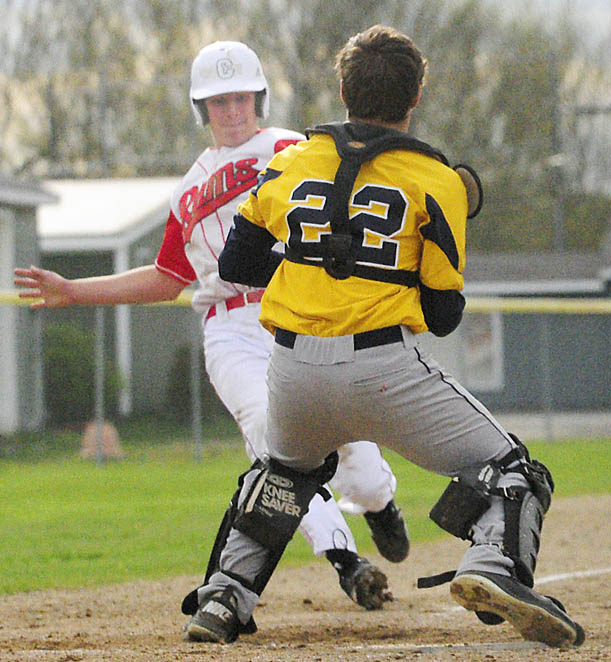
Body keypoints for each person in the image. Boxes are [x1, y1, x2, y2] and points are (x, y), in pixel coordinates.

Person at [195, 25, 585, 647]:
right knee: (514, 471)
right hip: (381, 368)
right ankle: (493, 566)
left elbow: (237, 267)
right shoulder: (437, 180)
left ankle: (223, 597)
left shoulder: (289, 161)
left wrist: (310, 265)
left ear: (343, 90)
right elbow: (443, 314)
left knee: (285, 473)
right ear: (415, 97)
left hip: (291, 372)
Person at [13, 40, 409, 622]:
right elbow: (168, 275)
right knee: (274, 444)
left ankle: (378, 502)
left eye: (240, 97)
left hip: (301, 312)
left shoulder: (294, 149)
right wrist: (76, 289)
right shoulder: (189, 186)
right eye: (217, 101)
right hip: (231, 331)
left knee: (361, 461)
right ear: (202, 109)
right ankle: (346, 563)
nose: (230, 110)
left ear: (259, 98)